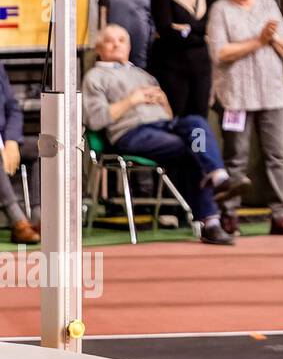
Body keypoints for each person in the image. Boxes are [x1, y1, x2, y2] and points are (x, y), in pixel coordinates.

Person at [84, 25, 248, 246]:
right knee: (190, 152)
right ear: (98, 48)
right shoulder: (95, 77)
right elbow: (96, 119)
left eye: (122, 40)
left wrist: (163, 101)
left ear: (129, 45)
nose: (117, 45)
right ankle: (210, 222)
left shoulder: (142, 75)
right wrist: (132, 100)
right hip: (131, 133)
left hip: (164, 126)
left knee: (197, 124)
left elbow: (168, 115)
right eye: (110, 41)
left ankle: (217, 174)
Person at [207, 0, 283, 237]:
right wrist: (258, 40)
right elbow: (220, 53)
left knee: (277, 156)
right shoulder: (221, 9)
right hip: (236, 95)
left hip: (273, 93)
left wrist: (273, 39)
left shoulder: (269, 5)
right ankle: (229, 214)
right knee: (236, 156)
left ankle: (280, 215)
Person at [147, 0, 213, 119]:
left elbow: (213, 25)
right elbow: (166, 30)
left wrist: (185, 29)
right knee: (176, 118)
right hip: (171, 67)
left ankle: (196, 149)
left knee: (199, 121)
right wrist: (200, 32)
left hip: (201, 68)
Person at [0, 60, 37, 244]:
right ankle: (18, 221)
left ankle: (38, 218)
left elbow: (13, 108)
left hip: (5, 138)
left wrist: (12, 140)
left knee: (43, 149)